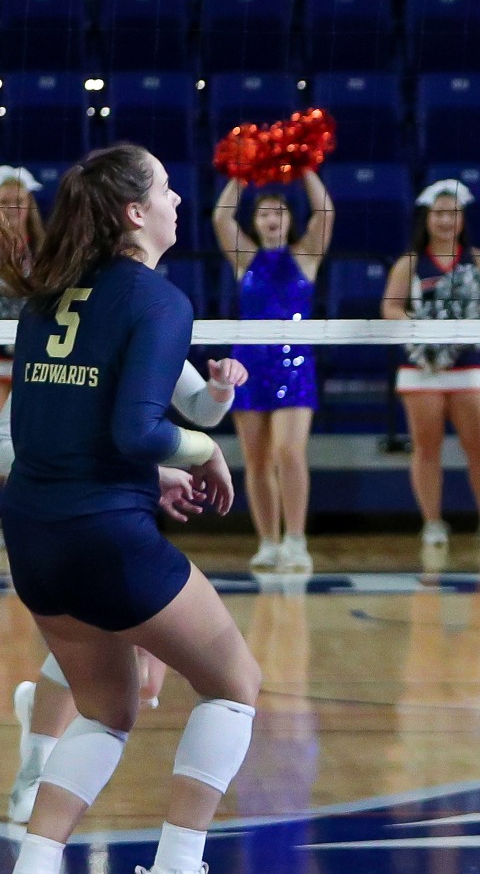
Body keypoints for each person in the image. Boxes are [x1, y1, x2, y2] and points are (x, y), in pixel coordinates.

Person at [0, 144, 262, 874]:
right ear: (134, 212)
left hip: (32, 532)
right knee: (234, 684)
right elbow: (134, 429)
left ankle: (38, 859)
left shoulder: (48, 293)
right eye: (168, 189)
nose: (180, 201)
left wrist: (145, 482)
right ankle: (180, 861)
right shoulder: (159, 300)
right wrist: (201, 449)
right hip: (102, 533)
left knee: (108, 708)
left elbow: (49, 428)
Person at [5, 354, 245, 826]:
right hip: (57, 516)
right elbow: (8, 449)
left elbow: (201, 409)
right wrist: (145, 472)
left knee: (137, 678)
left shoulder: (151, 318)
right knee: (122, 674)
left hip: (117, 516)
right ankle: (34, 781)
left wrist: (220, 388)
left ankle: (43, 732)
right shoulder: (61, 336)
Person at [212, 169, 334, 575]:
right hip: (249, 364)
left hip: (295, 366)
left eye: (278, 212)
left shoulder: (305, 256)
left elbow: (325, 211)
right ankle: (267, 541)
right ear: (256, 221)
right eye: (264, 213)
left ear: (288, 219)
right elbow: (220, 218)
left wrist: (304, 167)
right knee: (257, 460)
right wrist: (239, 175)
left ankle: (296, 540)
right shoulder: (245, 257)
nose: (270, 219)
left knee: (288, 451)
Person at [381, 177, 480, 555]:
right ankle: (433, 523)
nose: (445, 220)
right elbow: (389, 306)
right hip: (421, 368)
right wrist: (418, 328)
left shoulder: (479, 258)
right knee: (426, 448)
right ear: (427, 217)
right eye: (438, 213)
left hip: (467, 364)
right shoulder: (410, 261)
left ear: (462, 218)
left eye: (452, 213)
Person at [0, 165, 47, 417]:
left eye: (18, 201)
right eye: (4, 202)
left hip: (35, 354)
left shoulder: (47, 251)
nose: (12, 208)